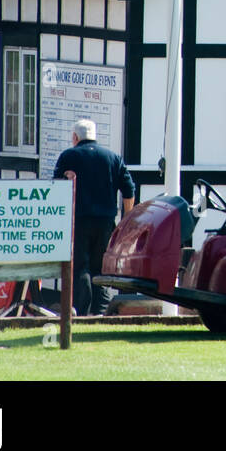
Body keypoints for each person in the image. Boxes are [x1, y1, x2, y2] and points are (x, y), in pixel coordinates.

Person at [53, 119, 135, 315]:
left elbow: (55, 187)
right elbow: (129, 189)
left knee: (80, 267)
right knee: (102, 267)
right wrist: (127, 218)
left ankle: (81, 310)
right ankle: (101, 310)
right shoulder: (113, 158)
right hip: (106, 222)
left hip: (78, 221)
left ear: (75, 137)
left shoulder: (68, 156)